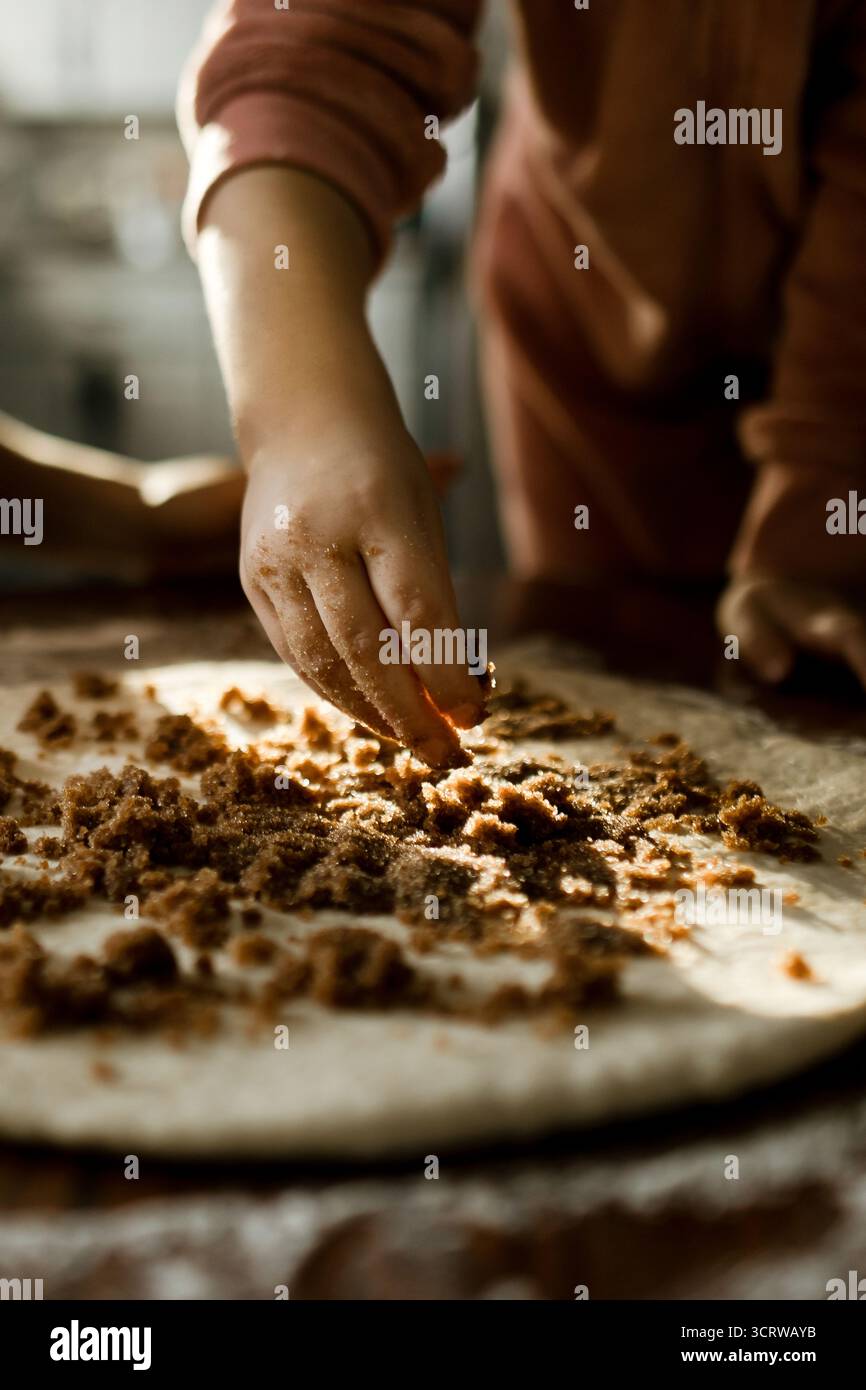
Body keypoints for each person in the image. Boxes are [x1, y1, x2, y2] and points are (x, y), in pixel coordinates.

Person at [172, 0, 866, 762]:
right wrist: (302, 419)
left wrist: (822, 500)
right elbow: (314, 54)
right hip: (589, 315)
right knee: (614, 683)